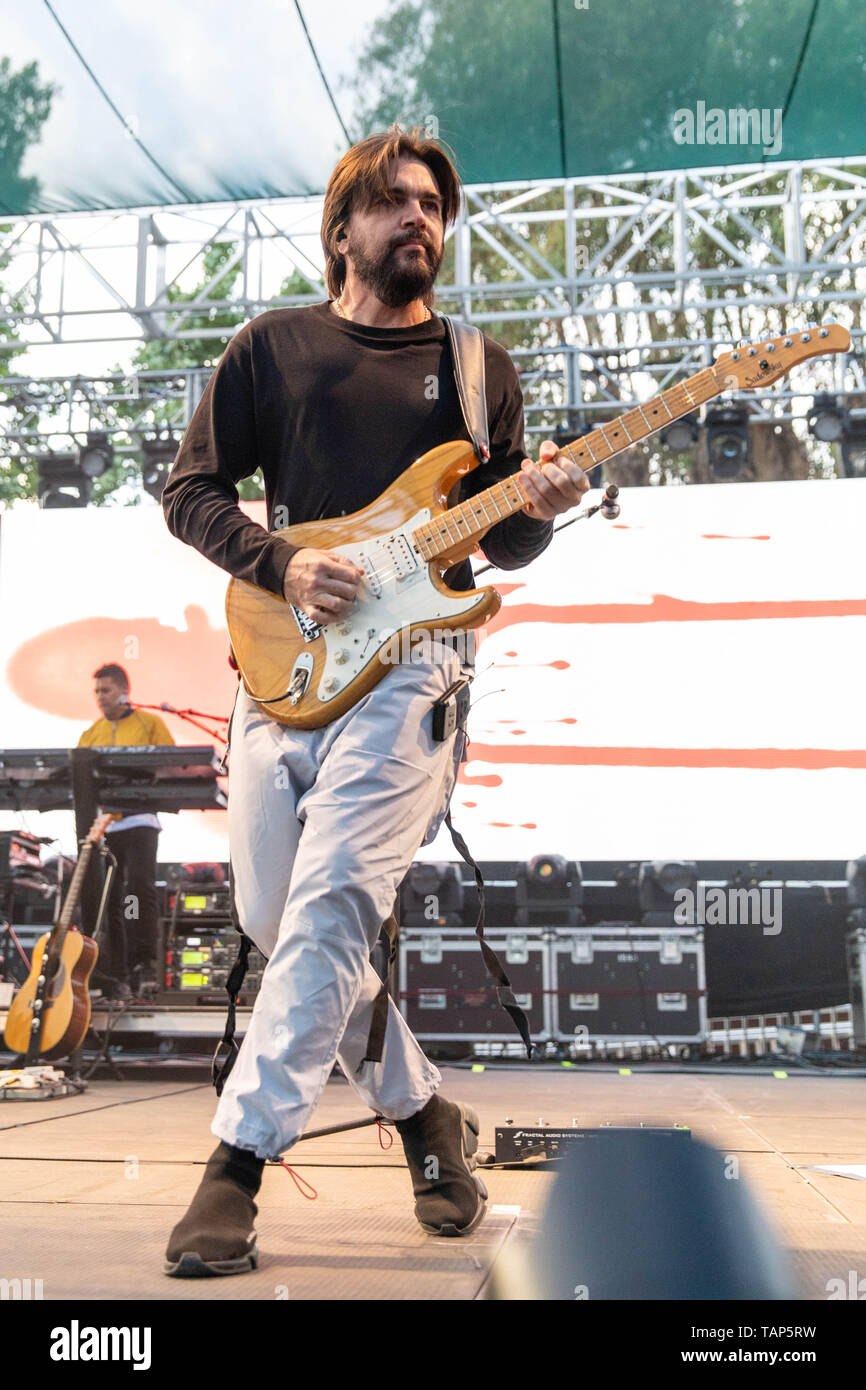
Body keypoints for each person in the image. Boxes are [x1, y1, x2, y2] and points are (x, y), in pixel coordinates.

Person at [160, 125, 590, 1277]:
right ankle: (423, 1118)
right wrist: (282, 564)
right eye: (398, 202)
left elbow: (496, 542)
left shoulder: (474, 366)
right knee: (275, 922)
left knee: (337, 902)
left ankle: (233, 1171)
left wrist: (542, 503)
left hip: (413, 677)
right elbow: (188, 493)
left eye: (436, 208)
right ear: (342, 226)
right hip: (281, 663)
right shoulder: (273, 348)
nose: (421, 222)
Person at [78, 663, 174, 996]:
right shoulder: (91, 733)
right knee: (111, 900)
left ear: (124, 691)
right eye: (96, 691)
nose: (99, 697)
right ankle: (115, 972)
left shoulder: (151, 723)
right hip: (108, 828)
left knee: (138, 892)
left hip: (141, 824)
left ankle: (143, 964)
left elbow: (174, 765)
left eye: (105, 690)